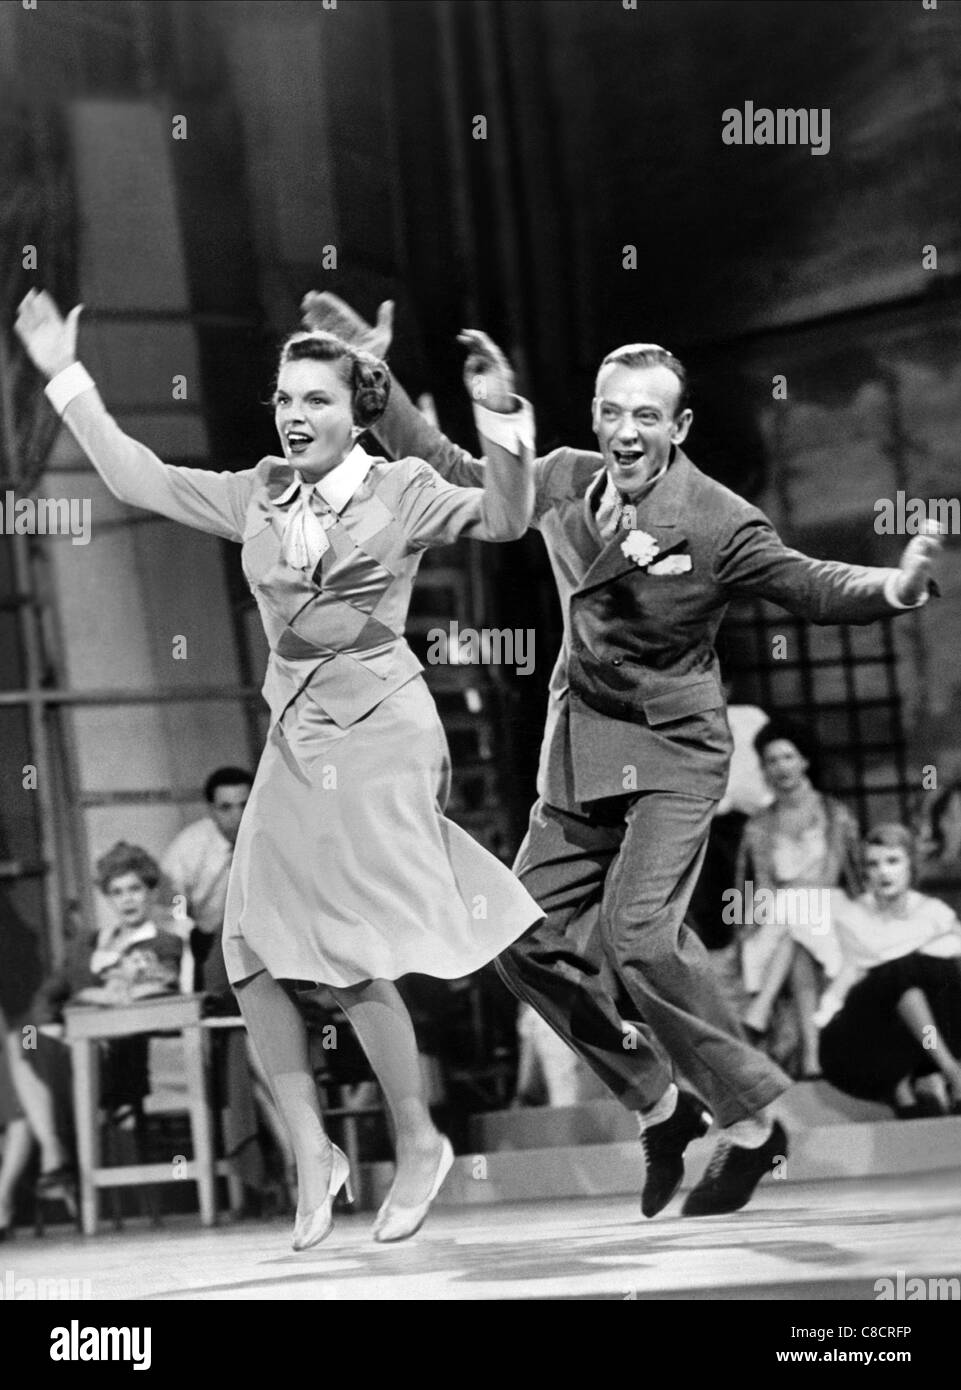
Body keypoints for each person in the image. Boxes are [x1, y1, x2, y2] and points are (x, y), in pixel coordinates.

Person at [304, 292, 942, 1218]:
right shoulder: (562, 477)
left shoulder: (715, 521)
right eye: (613, 412)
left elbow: (811, 582)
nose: (626, 431)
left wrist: (898, 586)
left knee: (639, 938)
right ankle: (655, 1100)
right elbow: (447, 466)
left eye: (647, 415)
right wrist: (375, 376)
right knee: (511, 939)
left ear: (677, 426)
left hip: (675, 754)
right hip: (580, 754)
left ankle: (754, 1121)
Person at [16, 288, 542, 1248]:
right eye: (285, 399)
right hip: (298, 733)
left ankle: (417, 1140)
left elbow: (507, 521)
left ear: (356, 413)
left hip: (382, 724)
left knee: (348, 945)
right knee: (249, 950)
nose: (296, 416)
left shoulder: (402, 492)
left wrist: (500, 419)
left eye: (318, 400)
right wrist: (64, 374)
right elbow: (135, 477)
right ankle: (314, 1153)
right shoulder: (256, 493)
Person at [735, 719, 860, 1078]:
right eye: (772, 760)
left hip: (829, 906)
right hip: (780, 912)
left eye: (788, 757)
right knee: (795, 940)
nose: (781, 767)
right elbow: (752, 884)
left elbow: (839, 874)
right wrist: (744, 923)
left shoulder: (833, 813)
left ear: (804, 761)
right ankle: (810, 1058)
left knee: (801, 917)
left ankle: (760, 1009)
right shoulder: (758, 824)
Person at [817, 824, 961, 1116]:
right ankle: (950, 1074)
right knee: (899, 972)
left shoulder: (934, 910)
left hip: (922, 1029)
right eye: (873, 864)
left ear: (911, 865)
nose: (883, 872)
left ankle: (920, 1085)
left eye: (893, 861)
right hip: (860, 1030)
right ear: (864, 872)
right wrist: (929, 937)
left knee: (935, 972)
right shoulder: (852, 916)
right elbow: (882, 954)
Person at [162, 766, 253, 997]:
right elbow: (175, 894)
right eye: (226, 808)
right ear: (211, 810)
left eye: (245, 804)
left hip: (258, 936)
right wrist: (182, 920)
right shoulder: (189, 846)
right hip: (204, 938)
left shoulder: (271, 838)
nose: (238, 816)